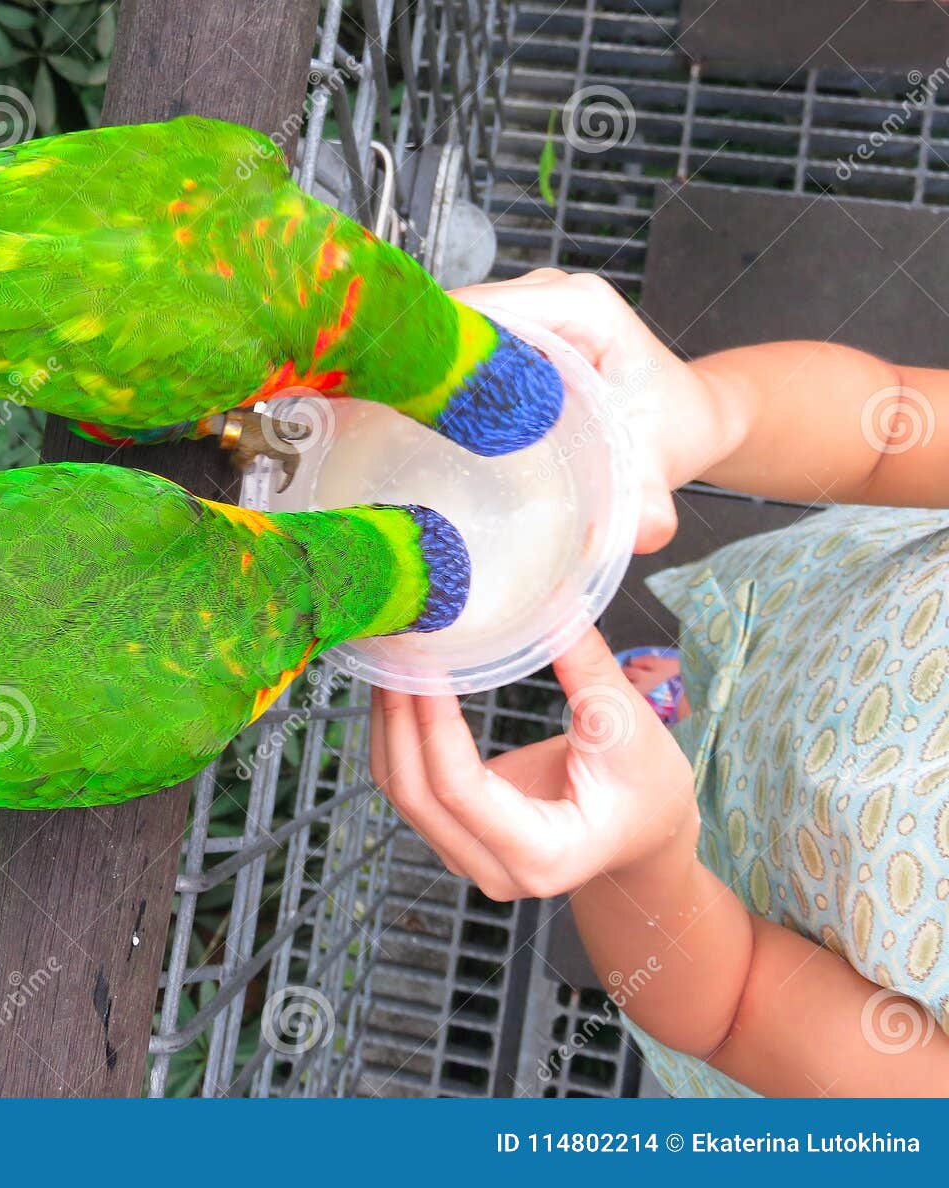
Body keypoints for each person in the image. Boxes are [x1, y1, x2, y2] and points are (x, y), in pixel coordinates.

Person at [370, 268, 949, 1096]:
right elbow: (891, 426)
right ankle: (693, 698)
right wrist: (708, 410)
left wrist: (637, 858)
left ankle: (664, 793)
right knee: (709, 686)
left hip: (718, 911)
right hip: (808, 627)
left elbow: (736, 1004)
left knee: (661, 815)